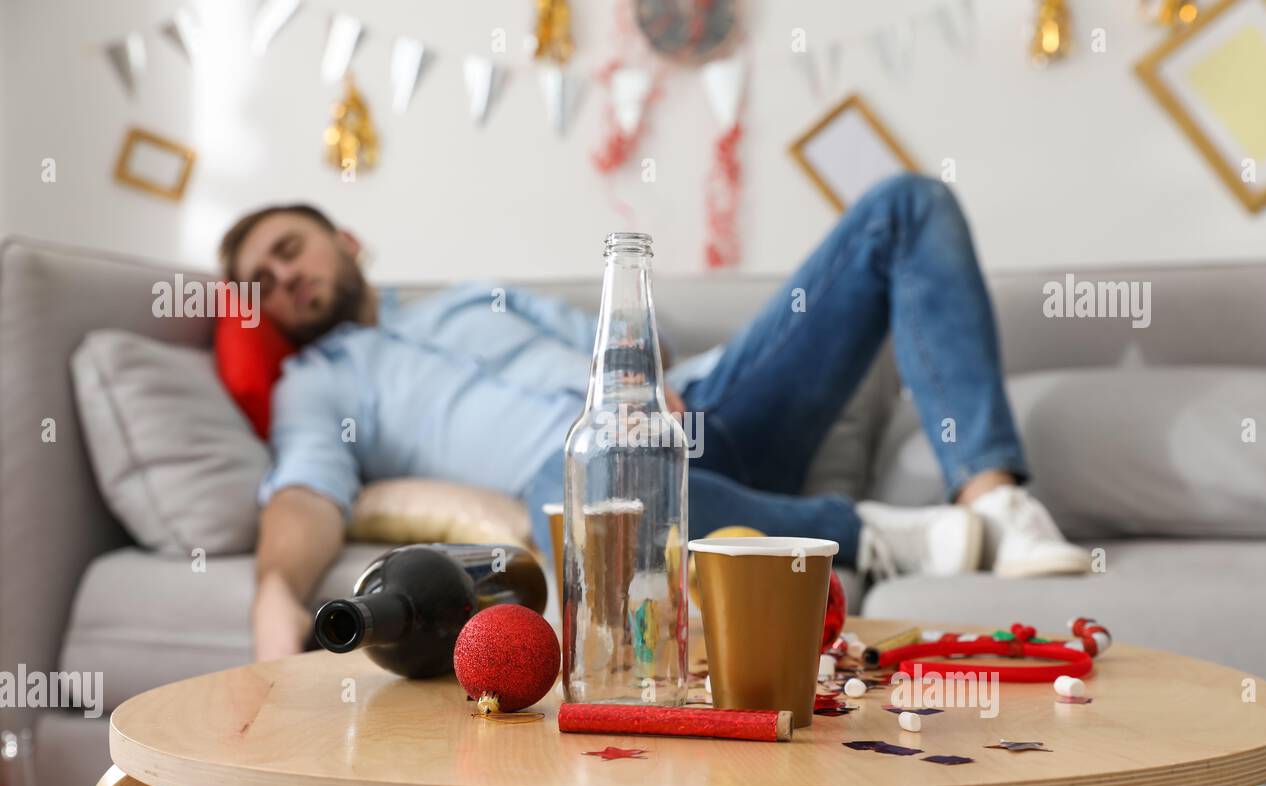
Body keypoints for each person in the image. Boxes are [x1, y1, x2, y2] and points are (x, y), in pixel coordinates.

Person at [221, 174, 1089, 663]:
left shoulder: (471, 298)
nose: (284, 279)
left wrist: (646, 382)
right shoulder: (317, 384)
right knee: (573, 486)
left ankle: (993, 503)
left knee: (906, 205)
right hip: (611, 494)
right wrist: (273, 591)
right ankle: (872, 535)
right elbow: (304, 491)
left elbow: (631, 334)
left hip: (715, 411)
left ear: (345, 241)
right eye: (260, 281)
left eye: (290, 248)